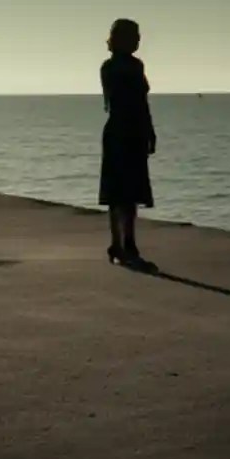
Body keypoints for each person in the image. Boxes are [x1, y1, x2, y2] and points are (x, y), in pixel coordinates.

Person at [99, 18, 158, 270]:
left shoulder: (130, 65)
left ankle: (126, 244)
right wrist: (146, 129)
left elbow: (141, 103)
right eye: (134, 36)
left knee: (128, 193)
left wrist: (149, 131)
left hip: (131, 130)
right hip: (123, 130)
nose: (138, 40)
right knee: (120, 193)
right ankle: (120, 245)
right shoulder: (115, 67)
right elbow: (125, 100)